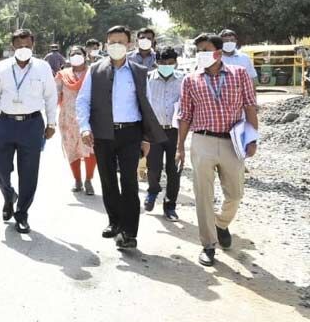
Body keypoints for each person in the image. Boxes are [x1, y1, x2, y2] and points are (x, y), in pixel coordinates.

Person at [76, 25, 166, 249]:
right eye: (112, 42)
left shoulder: (138, 71)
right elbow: (83, 101)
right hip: (103, 133)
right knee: (107, 180)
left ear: (129, 45)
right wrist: (85, 127)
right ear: (106, 45)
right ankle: (114, 222)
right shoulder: (95, 70)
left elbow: (146, 105)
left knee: (129, 182)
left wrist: (146, 138)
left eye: (121, 42)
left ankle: (130, 232)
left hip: (130, 132)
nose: (116, 46)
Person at [176, 33, 259, 267]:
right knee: (203, 195)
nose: (201, 54)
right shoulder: (191, 80)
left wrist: (252, 139)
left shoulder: (239, 74)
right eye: (198, 50)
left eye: (205, 49)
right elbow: (185, 116)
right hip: (202, 140)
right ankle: (208, 244)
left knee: (235, 194)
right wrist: (180, 147)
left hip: (233, 141)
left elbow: (250, 106)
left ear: (219, 53)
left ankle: (221, 223)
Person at [0, 29, 58, 234]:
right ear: (12, 46)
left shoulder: (42, 68)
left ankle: (22, 213)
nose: (23, 48)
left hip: (32, 125)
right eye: (19, 44)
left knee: (29, 173)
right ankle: (8, 195)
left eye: (27, 45)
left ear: (33, 45)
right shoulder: (2, 67)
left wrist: (52, 124)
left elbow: (51, 97)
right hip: (6, 124)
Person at [145, 47, 184, 220]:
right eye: (162, 63)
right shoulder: (148, 79)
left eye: (170, 63)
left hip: (174, 131)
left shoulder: (183, 80)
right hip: (154, 131)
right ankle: (153, 190)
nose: (166, 66)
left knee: (173, 170)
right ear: (157, 62)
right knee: (153, 167)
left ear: (175, 63)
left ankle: (170, 205)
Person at [55, 46, 97, 195]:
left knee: (90, 150)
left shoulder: (93, 72)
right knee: (72, 150)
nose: (76, 56)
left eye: (79, 53)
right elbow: (55, 96)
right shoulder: (62, 75)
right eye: (73, 54)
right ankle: (78, 180)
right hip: (68, 120)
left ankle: (89, 180)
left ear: (85, 56)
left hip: (89, 120)